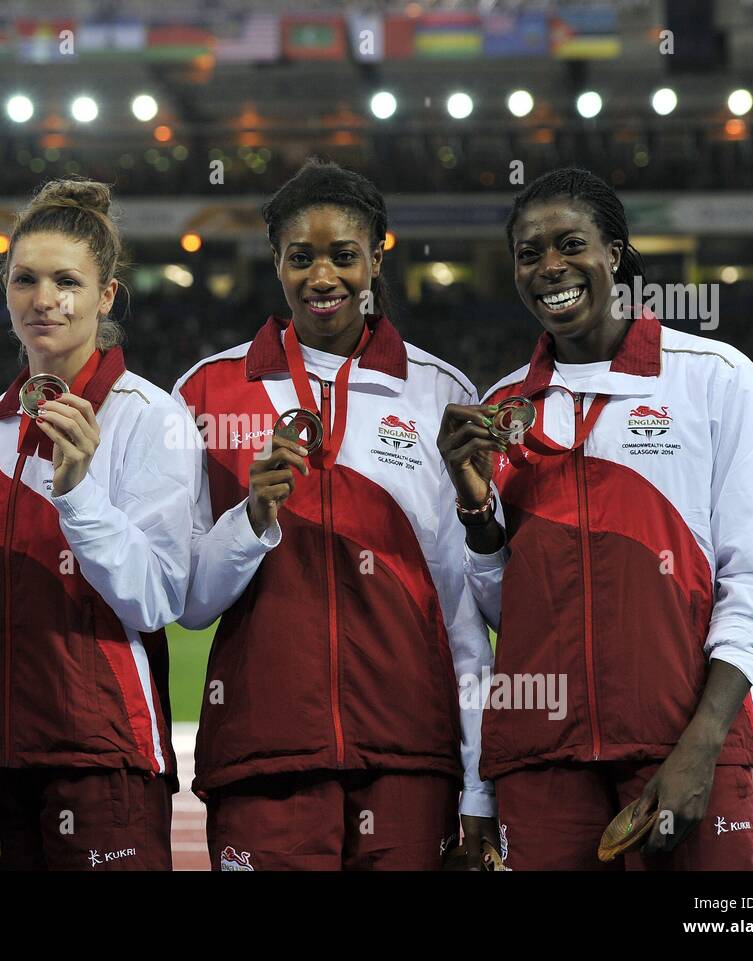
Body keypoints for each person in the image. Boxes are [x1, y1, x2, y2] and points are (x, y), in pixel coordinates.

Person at [437, 167, 753, 870]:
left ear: (615, 252)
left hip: (682, 744)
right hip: (542, 760)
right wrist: (476, 510)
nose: (549, 268)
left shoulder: (714, 378)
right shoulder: (501, 407)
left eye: (570, 244)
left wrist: (703, 741)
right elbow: (504, 608)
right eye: (528, 253)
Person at [173, 158, 497, 871]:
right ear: (277, 262)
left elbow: (462, 610)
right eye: (302, 257)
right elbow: (190, 603)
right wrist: (254, 514)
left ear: (379, 254)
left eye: (345, 256)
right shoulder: (206, 392)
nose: (323, 278)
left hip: (411, 754)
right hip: (266, 754)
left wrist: (479, 784)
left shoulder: (441, 391)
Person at [0, 179, 197, 870]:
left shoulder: (150, 417)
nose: (44, 299)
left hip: (104, 760)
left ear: (105, 295)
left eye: (67, 280)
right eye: (25, 280)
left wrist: (77, 495)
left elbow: (159, 596)